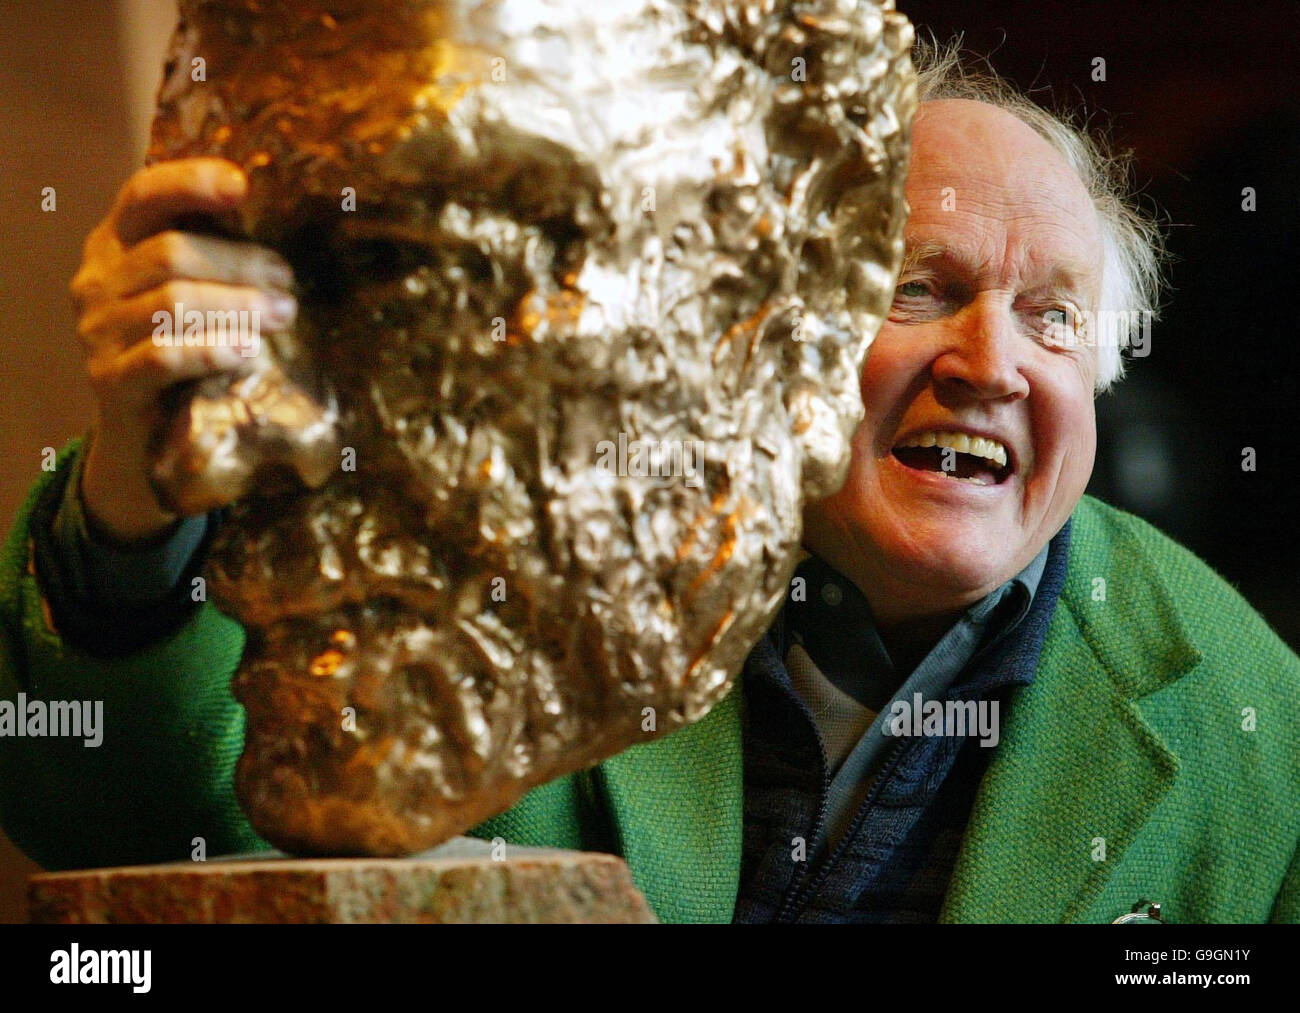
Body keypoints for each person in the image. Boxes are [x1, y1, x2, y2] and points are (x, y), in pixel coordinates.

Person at [2, 39, 1297, 923]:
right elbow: (120, 826)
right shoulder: (515, 554)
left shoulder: (1256, 714)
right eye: (918, 289)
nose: (991, 363)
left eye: (1054, 318)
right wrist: (130, 492)